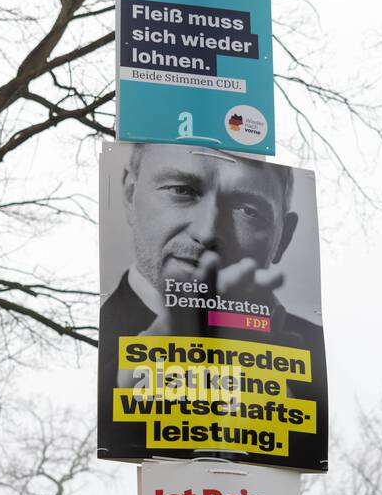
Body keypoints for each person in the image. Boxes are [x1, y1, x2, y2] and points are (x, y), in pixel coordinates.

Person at [97, 143, 327, 469]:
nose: (206, 233)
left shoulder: (310, 356)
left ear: (283, 237)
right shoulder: (80, 343)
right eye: (181, 191)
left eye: (247, 210)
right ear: (130, 194)